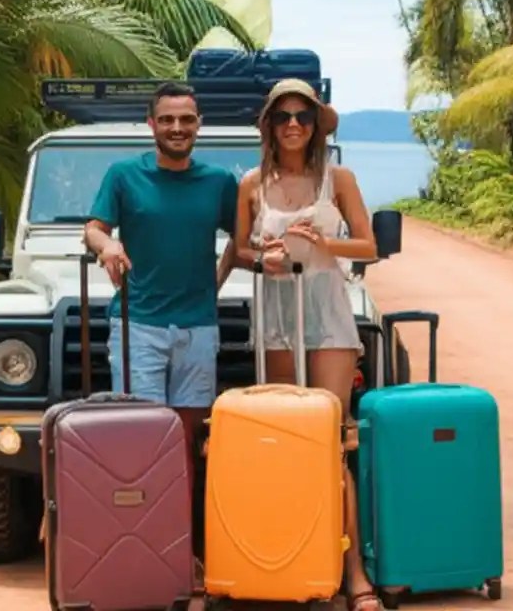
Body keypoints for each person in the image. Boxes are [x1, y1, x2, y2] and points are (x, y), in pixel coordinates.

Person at [233, 78, 382, 611]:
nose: (293, 124)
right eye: (282, 116)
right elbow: (241, 251)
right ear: (270, 126)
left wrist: (326, 242)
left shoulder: (336, 180)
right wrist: (265, 259)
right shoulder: (252, 182)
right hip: (276, 310)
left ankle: (353, 571)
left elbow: (370, 245)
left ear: (315, 125)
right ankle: (291, 560)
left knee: (331, 439)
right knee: (282, 439)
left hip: (326, 309)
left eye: (302, 115)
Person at [83, 81, 239, 479]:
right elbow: (94, 229)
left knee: (191, 438)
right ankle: (145, 530)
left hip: (198, 328)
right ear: (151, 124)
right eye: (167, 119)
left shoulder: (219, 182)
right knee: (143, 433)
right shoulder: (123, 175)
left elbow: (244, 238)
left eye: (186, 119)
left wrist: (217, 281)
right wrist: (108, 247)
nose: (177, 127)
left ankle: (181, 530)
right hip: (139, 326)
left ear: (198, 124)